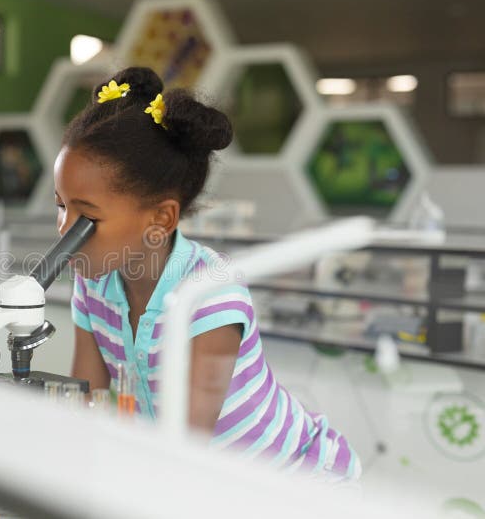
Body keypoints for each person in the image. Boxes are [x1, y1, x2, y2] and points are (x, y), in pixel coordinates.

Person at [54, 66, 360, 481]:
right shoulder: (93, 286)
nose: (64, 230)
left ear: (161, 218)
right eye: (60, 206)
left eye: (86, 216)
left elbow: (185, 449)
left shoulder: (212, 295)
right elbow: (82, 404)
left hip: (297, 486)